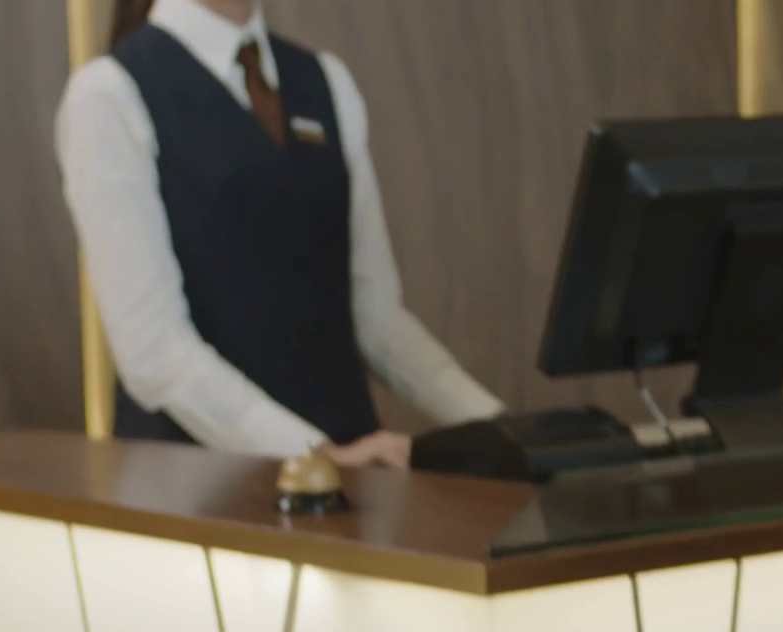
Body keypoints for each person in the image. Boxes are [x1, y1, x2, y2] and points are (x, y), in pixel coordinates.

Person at [56, 0, 502, 468]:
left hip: (351, 479)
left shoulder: (325, 80)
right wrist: (315, 454)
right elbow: (155, 353)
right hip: (199, 487)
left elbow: (375, 317)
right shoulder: (108, 94)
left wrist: (500, 428)